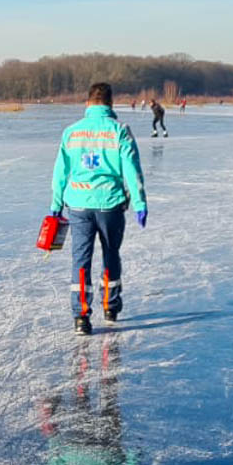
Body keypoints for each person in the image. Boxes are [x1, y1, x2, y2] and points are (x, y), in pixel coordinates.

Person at [49, 82, 147, 335]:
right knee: (111, 254)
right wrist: (139, 203)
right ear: (111, 104)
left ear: (88, 103)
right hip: (110, 205)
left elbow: (60, 171)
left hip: (78, 204)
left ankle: (81, 316)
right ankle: (110, 306)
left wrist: (56, 204)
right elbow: (131, 170)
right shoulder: (120, 131)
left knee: (80, 260)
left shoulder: (72, 132)